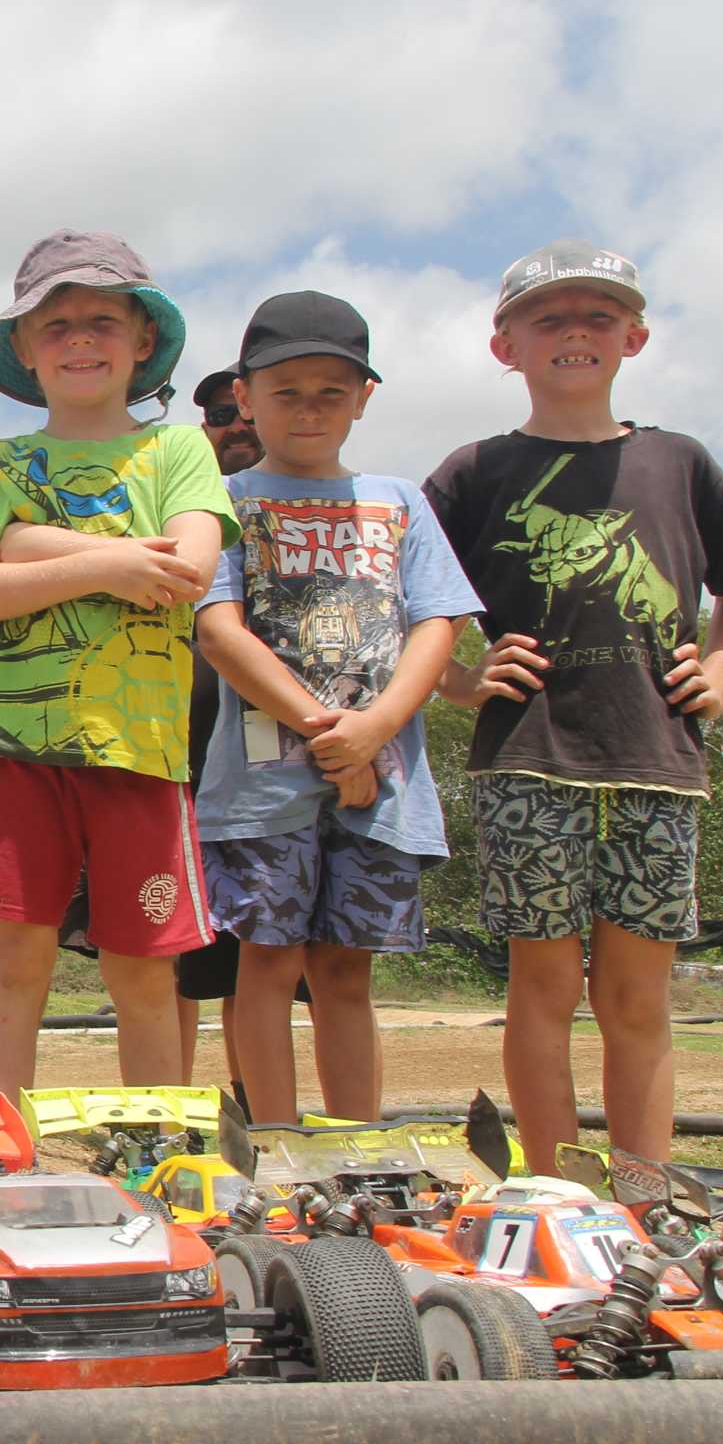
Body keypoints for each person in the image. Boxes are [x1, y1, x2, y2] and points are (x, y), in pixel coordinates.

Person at [425, 242, 723, 1179]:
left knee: (638, 999)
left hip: (658, 759)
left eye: (598, 316)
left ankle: (643, 1192)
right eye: (550, 318)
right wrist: (459, 680)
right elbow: (408, 606)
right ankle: (554, 1191)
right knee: (541, 987)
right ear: (507, 347)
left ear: (635, 337)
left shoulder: (681, 462)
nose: (575, 331)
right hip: (528, 758)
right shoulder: (472, 473)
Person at [0, 231, 236, 1098]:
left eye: (103, 319)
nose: (79, 337)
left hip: (142, 748)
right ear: (24, 351)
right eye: (55, 322)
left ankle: (156, 1144)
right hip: (20, 744)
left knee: (143, 970)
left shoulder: (179, 452)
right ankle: (7, 1139)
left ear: (143, 340)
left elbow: (187, 572)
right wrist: (108, 564)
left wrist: (28, 543)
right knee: (15, 955)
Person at [194, 292, 478, 1123]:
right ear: (245, 398)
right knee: (269, 963)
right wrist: (332, 740)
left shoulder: (400, 500)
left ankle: (357, 1150)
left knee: (347, 971)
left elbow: (437, 624)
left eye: (331, 391)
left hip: (384, 781)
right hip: (263, 787)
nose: (309, 409)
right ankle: (278, 1143)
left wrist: (375, 732)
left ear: (364, 398)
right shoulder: (222, 503)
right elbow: (219, 632)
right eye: (286, 391)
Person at [169, 360, 271, 1076]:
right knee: (169, 937)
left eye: (246, 413)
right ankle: (165, 1106)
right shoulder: (171, 502)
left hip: (265, 750)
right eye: (218, 414)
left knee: (252, 941)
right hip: (174, 746)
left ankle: (247, 1095)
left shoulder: (296, 505)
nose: (235, 426)